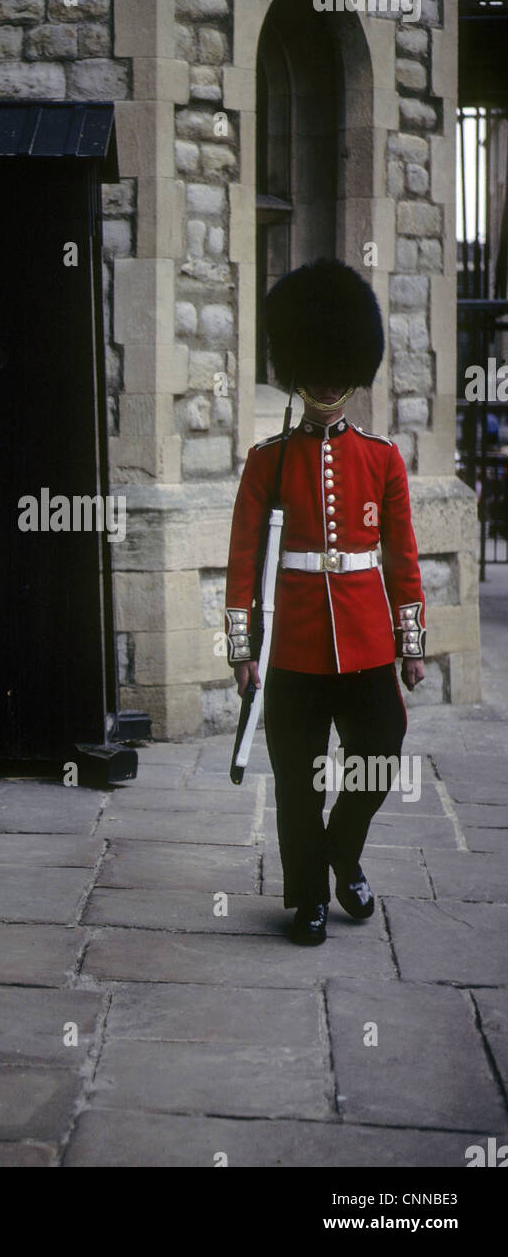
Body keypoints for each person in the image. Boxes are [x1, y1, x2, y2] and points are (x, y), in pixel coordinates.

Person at [224, 259, 426, 946]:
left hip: (366, 639)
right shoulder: (266, 461)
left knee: (380, 750)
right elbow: (242, 564)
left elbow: (399, 559)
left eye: (338, 369)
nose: (326, 382)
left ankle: (340, 853)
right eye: (313, 369)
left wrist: (411, 643)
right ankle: (308, 895)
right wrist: (242, 651)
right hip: (295, 648)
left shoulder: (381, 458)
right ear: (295, 371)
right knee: (297, 782)